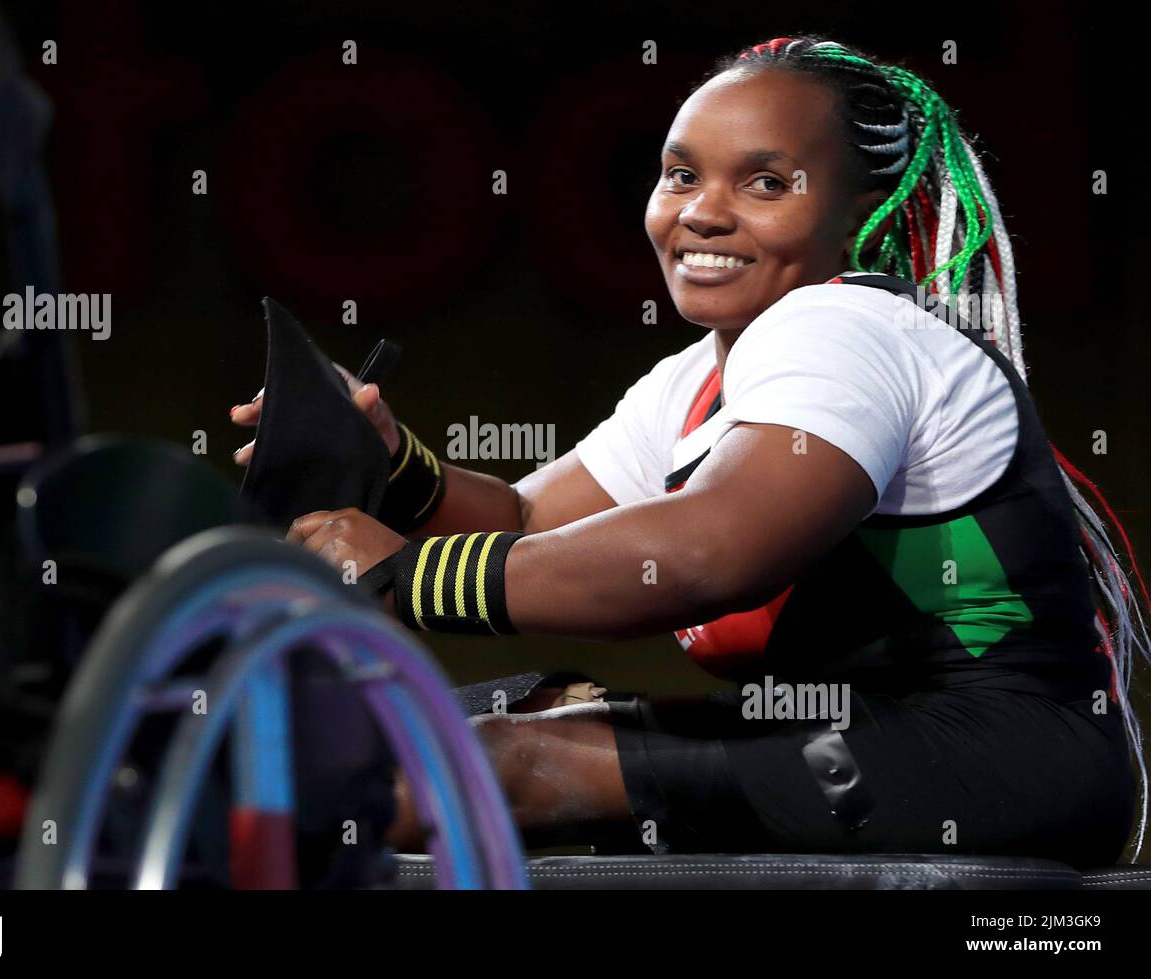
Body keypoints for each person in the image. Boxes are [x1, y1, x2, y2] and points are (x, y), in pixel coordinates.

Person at [231, 36, 1149, 868]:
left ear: (860, 209)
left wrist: (406, 577)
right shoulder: (699, 379)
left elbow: (705, 553)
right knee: (516, 720)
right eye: (680, 175)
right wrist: (395, 461)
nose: (702, 214)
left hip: (999, 756)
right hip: (857, 735)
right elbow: (526, 523)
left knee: (512, 760)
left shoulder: (846, 330)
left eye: (766, 183)